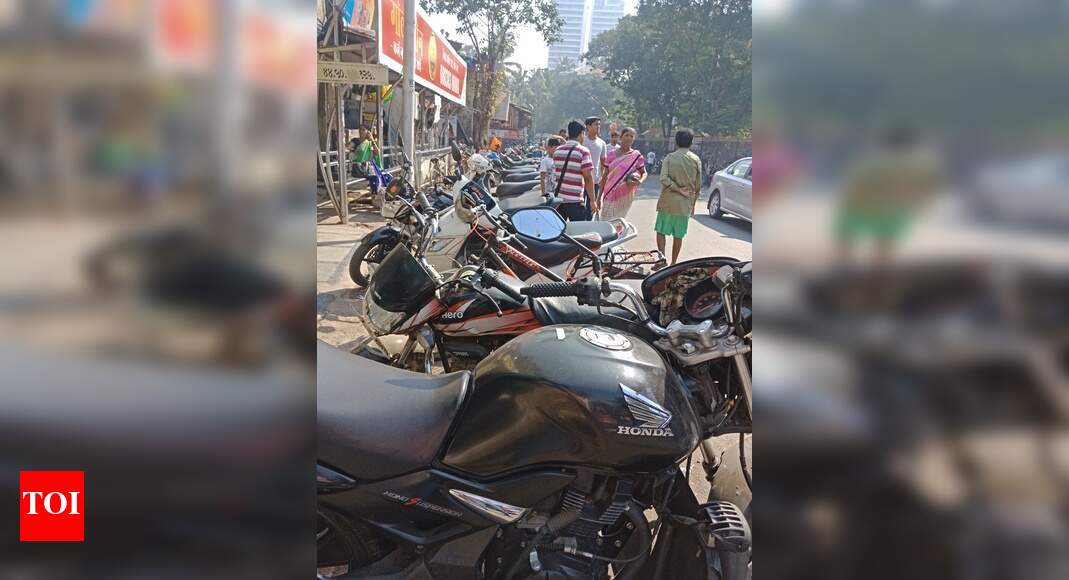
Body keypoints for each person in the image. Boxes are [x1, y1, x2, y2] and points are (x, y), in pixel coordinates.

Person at [655, 128, 702, 268]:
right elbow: (698, 185)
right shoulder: (696, 160)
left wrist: (676, 188)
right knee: (678, 235)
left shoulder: (670, 158)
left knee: (661, 231)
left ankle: (661, 259)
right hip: (685, 203)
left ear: (676, 141)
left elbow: (663, 179)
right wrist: (693, 204)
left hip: (668, 201)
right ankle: (674, 263)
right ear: (691, 143)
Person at [551, 120, 596, 221]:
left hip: (558, 201)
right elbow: (588, 178)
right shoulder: (583, 151)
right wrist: (592, 200)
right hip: (575, 202)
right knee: (578, 233)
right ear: (581, 134)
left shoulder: (558, 151)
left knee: (560, 233)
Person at [598, 127, 646, 221]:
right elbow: (605, 176)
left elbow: (643, 172)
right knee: (606, 220)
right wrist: (599, 197)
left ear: (634, 139)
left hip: (625, 194)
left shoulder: (636, 156)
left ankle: (618, 236)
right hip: (609, 192)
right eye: (626, 135)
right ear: (621, 137)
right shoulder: (611, 154)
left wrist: (640, 181)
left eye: (631, 136)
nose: (629, 138)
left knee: (619, 221)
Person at [583, 117, 609, 215]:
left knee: (592, 209)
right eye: (595, 124)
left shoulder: (602, 143)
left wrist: (602, 178)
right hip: (582, 180)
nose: (598, 126)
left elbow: (603, 163)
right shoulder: (582, 141)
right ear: (588, 126)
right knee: (581, 209)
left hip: (595, 181)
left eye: (599, 124)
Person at [349, 125, 381, 196]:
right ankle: (374, 195)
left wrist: (372, 139)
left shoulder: (369, 143)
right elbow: (349, 149)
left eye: (363, 130)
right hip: (357, 168)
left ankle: (374, 194)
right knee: (374, 177)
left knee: (377, 177)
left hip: (366, 168)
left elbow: (377, 152)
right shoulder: (355, 141)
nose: (361, 131)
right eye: (360, 129)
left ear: (367, 132)